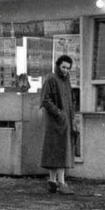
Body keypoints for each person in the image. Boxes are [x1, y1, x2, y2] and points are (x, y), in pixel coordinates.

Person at [41, 55, 78, 194]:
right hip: (55, 122)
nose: (65, 70)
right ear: (57, 66)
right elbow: (45, 99)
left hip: (63, 121)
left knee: (58, 151)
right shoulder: (51, 79)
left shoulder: (65, 81)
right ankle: (60, 182)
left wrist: (70, 115)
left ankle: (53, 181)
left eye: (68, 68)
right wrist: (59, 113)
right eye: (63, 67)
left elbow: (72, 100)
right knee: (59, 151)